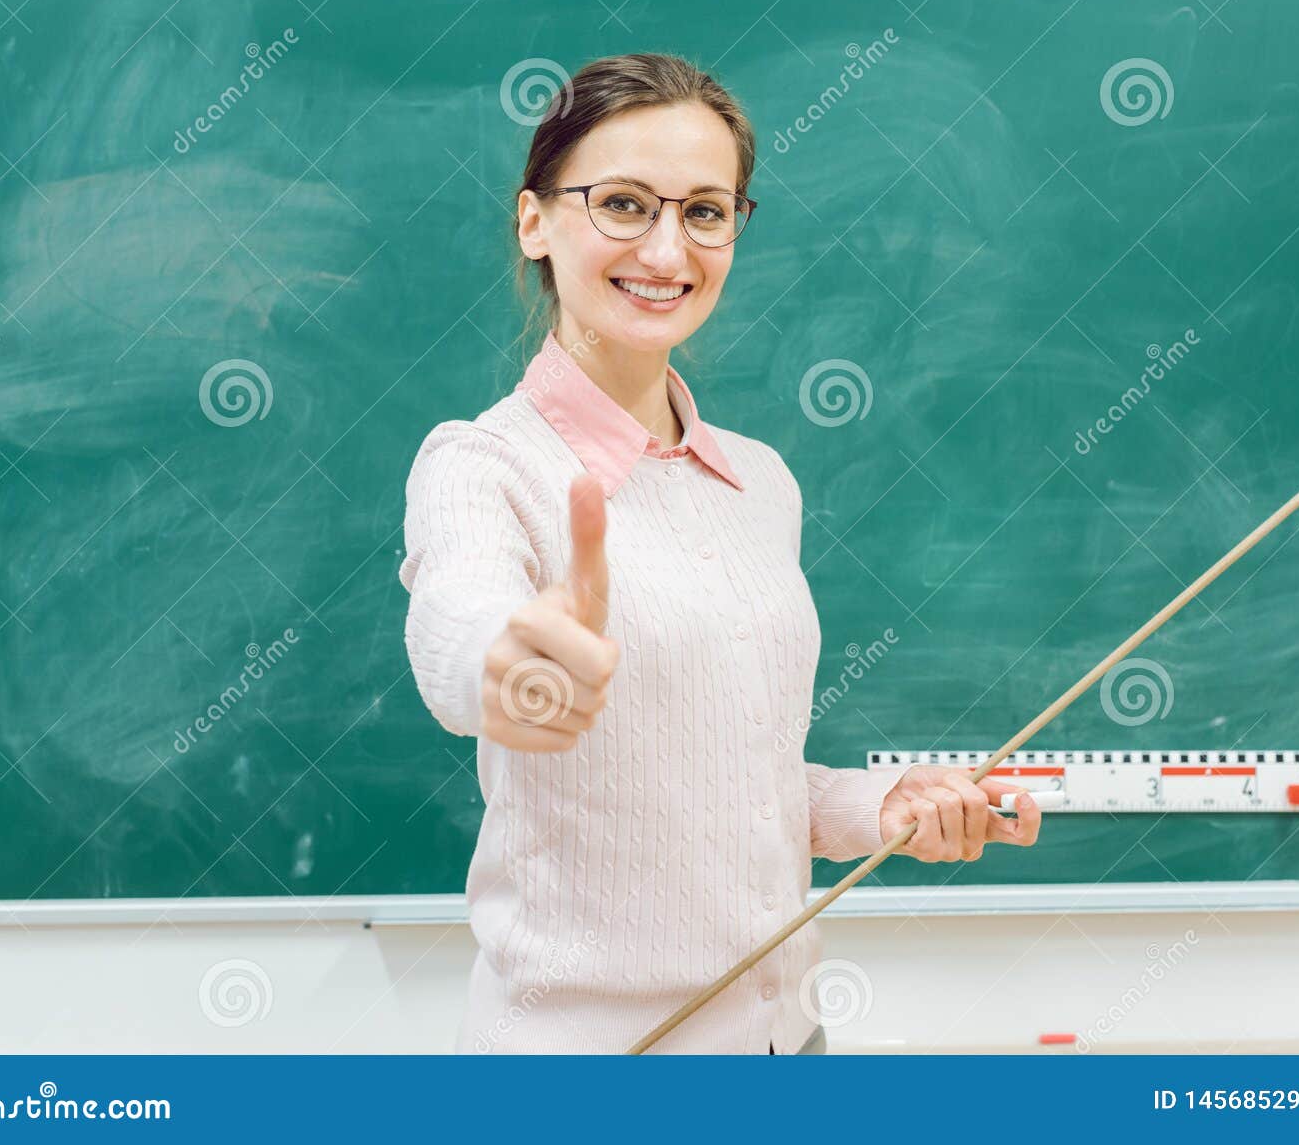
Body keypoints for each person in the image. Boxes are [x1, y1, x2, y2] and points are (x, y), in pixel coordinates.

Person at [399, 52, 1042, 1054]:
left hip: (788, 1044)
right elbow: (457, 628)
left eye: (705, 211)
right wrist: (510, 666)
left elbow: (741, 780)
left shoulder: (758, 481)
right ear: (535, 221)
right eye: (621, 203)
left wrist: (884, 804)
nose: (667, 247)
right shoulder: (482, 464)